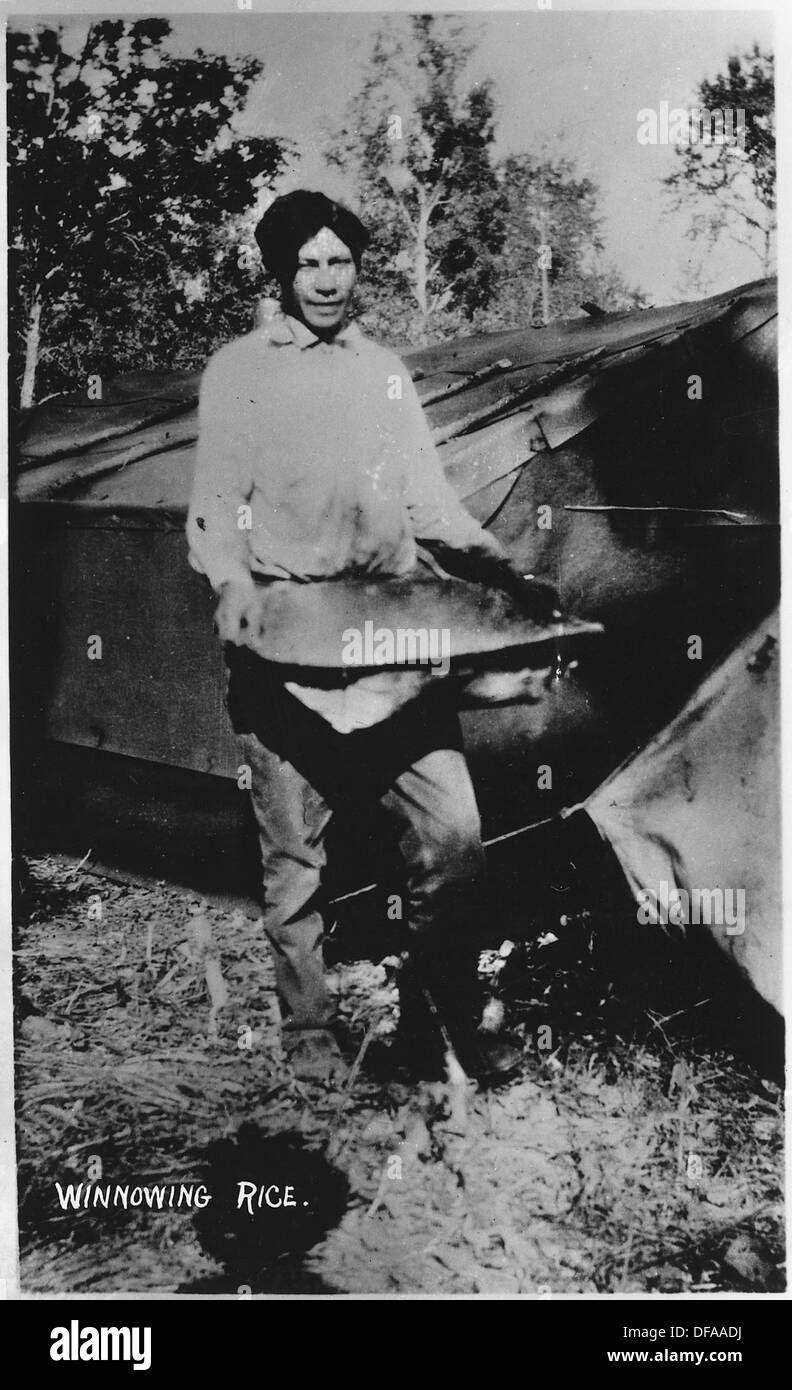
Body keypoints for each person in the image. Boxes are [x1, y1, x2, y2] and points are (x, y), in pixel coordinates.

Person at [187, 190, 558, 1083]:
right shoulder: (239, 371)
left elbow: (427, 499)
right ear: (281, 273)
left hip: (391, 644)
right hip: (287, 643)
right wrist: (234, 582)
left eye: (340, 261)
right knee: (294, 864)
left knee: (453, 841)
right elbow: (214, 505)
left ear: (359, 270)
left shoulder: (382, 371)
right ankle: (309, 1033)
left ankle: (445, 1017)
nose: (326, 279)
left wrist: (501, 568)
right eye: (308, 262)